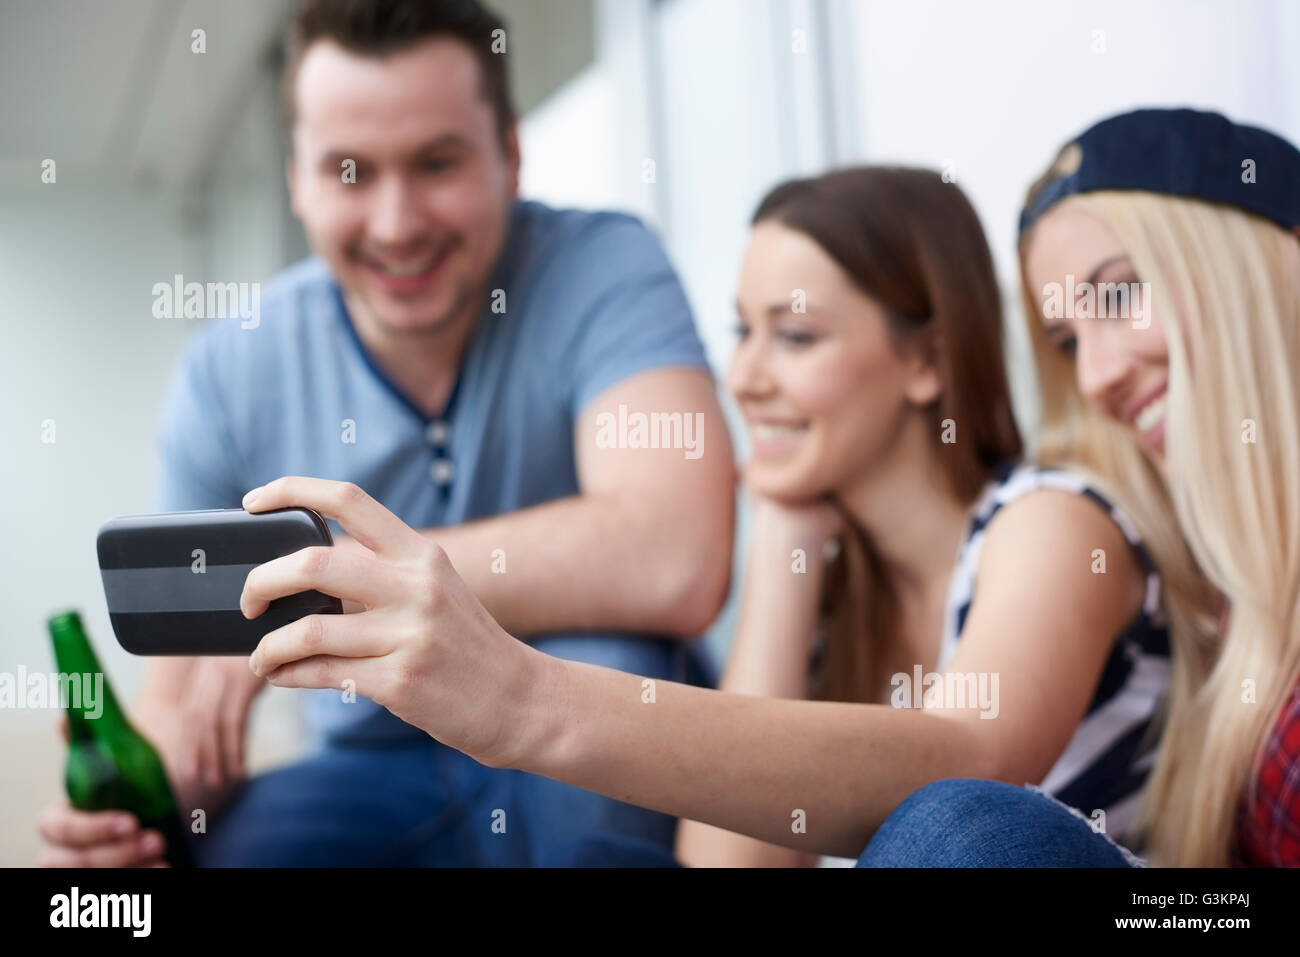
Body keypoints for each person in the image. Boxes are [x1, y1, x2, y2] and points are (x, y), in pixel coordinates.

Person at [229, 166, 1170, 867]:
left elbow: (971, 763)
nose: (748, 377)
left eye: (795, 335)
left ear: (926, 361)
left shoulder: (1054, 520)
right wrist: (785, 556)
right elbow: (725, 869)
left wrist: (517, 698)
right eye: (742, 330)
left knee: (950, 826)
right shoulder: (836, 595)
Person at [36, 0, 733, 867]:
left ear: (510, 155)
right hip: (374, 760)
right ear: (297, 178)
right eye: (350, 171)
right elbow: (187, 701)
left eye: (437, 162)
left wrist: (325, 586)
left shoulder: (603, 268)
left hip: (584, 712)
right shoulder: (228, 371)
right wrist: (145, 814)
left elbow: (674, 554)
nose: (398, 223)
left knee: (605, 690)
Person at [861, 107, 1300, 867]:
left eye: (1121, 294)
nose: (1096, 377)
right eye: (1068, 342)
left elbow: (966, 757)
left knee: (963, 832)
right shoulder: (1230, 606)